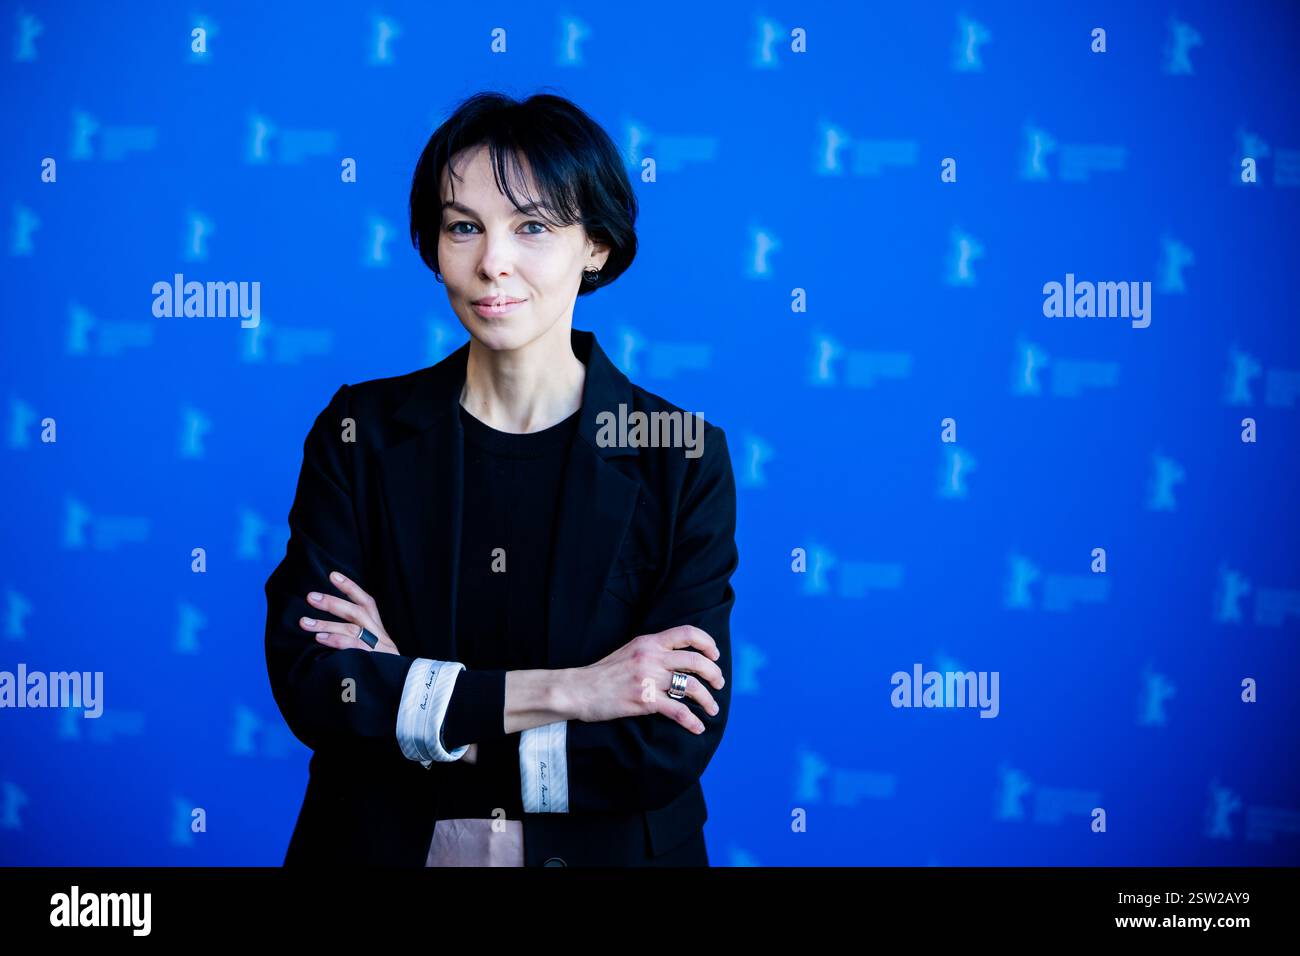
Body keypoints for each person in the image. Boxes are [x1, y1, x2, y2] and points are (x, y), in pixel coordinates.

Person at [264, 90, 738, 866]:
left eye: (533, 227)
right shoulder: (360, 433)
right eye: (463, 227)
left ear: (598, 247)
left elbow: (664, 741)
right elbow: (324, 686)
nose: (493, 262)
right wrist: (575, 692)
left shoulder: (678, 453)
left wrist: (423, 714)